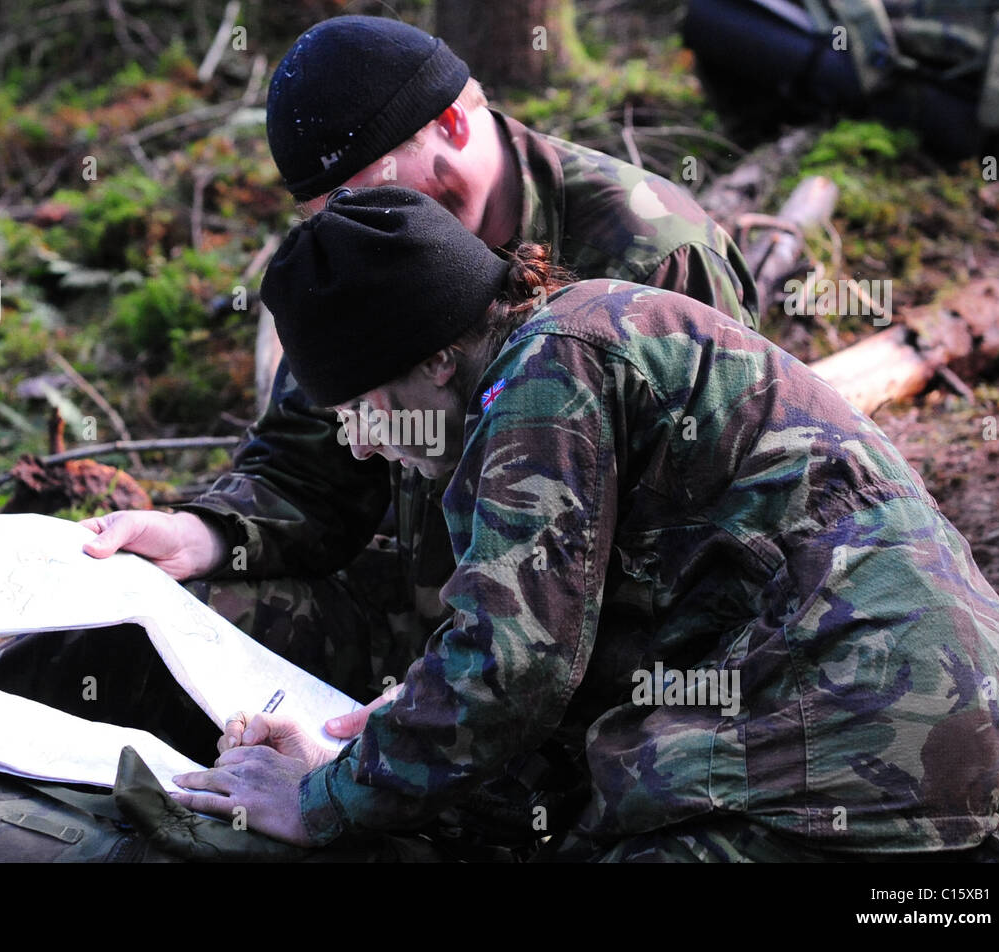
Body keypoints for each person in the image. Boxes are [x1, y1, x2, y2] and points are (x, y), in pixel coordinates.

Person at [164, 186, 999, 861]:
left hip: (865, 722)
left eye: (358, 408)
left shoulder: (545, 374)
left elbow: (513, 667)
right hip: (889, 701)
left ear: (431, 358)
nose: (355, 444)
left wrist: (318, 801)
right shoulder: (569, 337)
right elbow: (557, 655)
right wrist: (370, 743)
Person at [83, 14, 760, 720]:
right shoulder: (363, 245)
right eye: (337, 213)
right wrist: (209, 533)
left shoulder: (651, 253)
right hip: (410, 624)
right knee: (138, 626)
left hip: (584, 669)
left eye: (377, 193)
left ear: (453, 124)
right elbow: (308, 466)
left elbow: (704, 542)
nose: (367, 223)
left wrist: (454, 695)